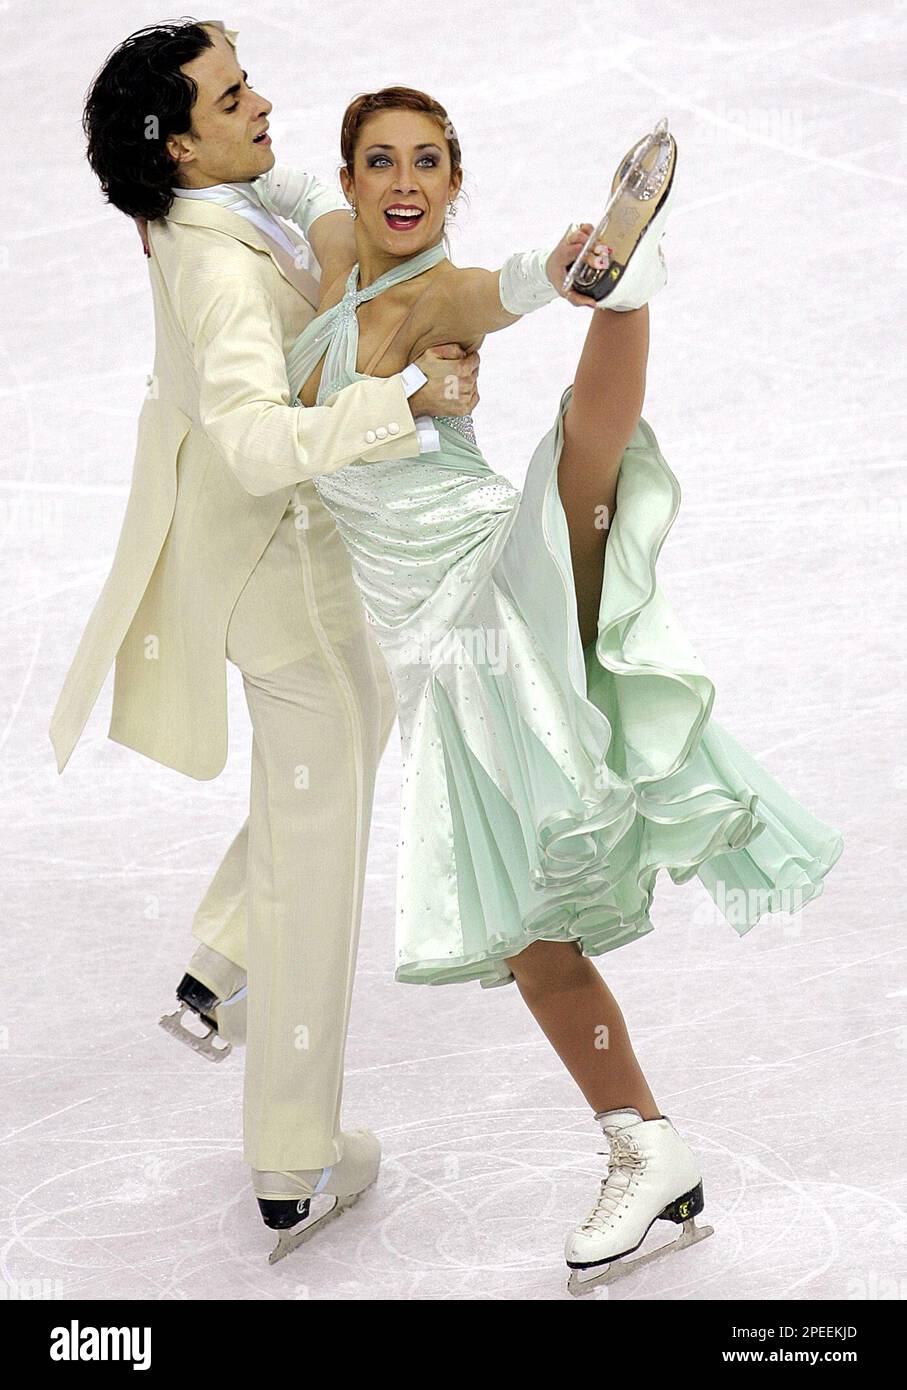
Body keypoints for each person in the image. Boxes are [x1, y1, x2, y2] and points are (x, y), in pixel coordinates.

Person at [268, 89, 844, 1291]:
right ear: (352, 176)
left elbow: (502, 290)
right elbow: (274, 198)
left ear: (455, 179)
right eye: (380, 161)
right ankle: (648, 1145)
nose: (403, 180)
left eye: (428, 161)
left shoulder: (436, 292)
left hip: (484, 571)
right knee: (533, 937)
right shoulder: (330, 262)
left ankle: (629, 289)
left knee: (576, 476)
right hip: (447, 659)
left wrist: (572, 267)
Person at [47, 19, 499, 1254]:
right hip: (270, 568)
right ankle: (294, 1164)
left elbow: (316, 198)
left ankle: (219, 962)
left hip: (293, 557)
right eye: (231, 96)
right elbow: (252, 438)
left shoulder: (208, 203)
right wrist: (400, 402)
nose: (261, 104)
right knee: (318, 856)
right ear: (181, 145)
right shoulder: (214, 266)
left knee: (373, 715)